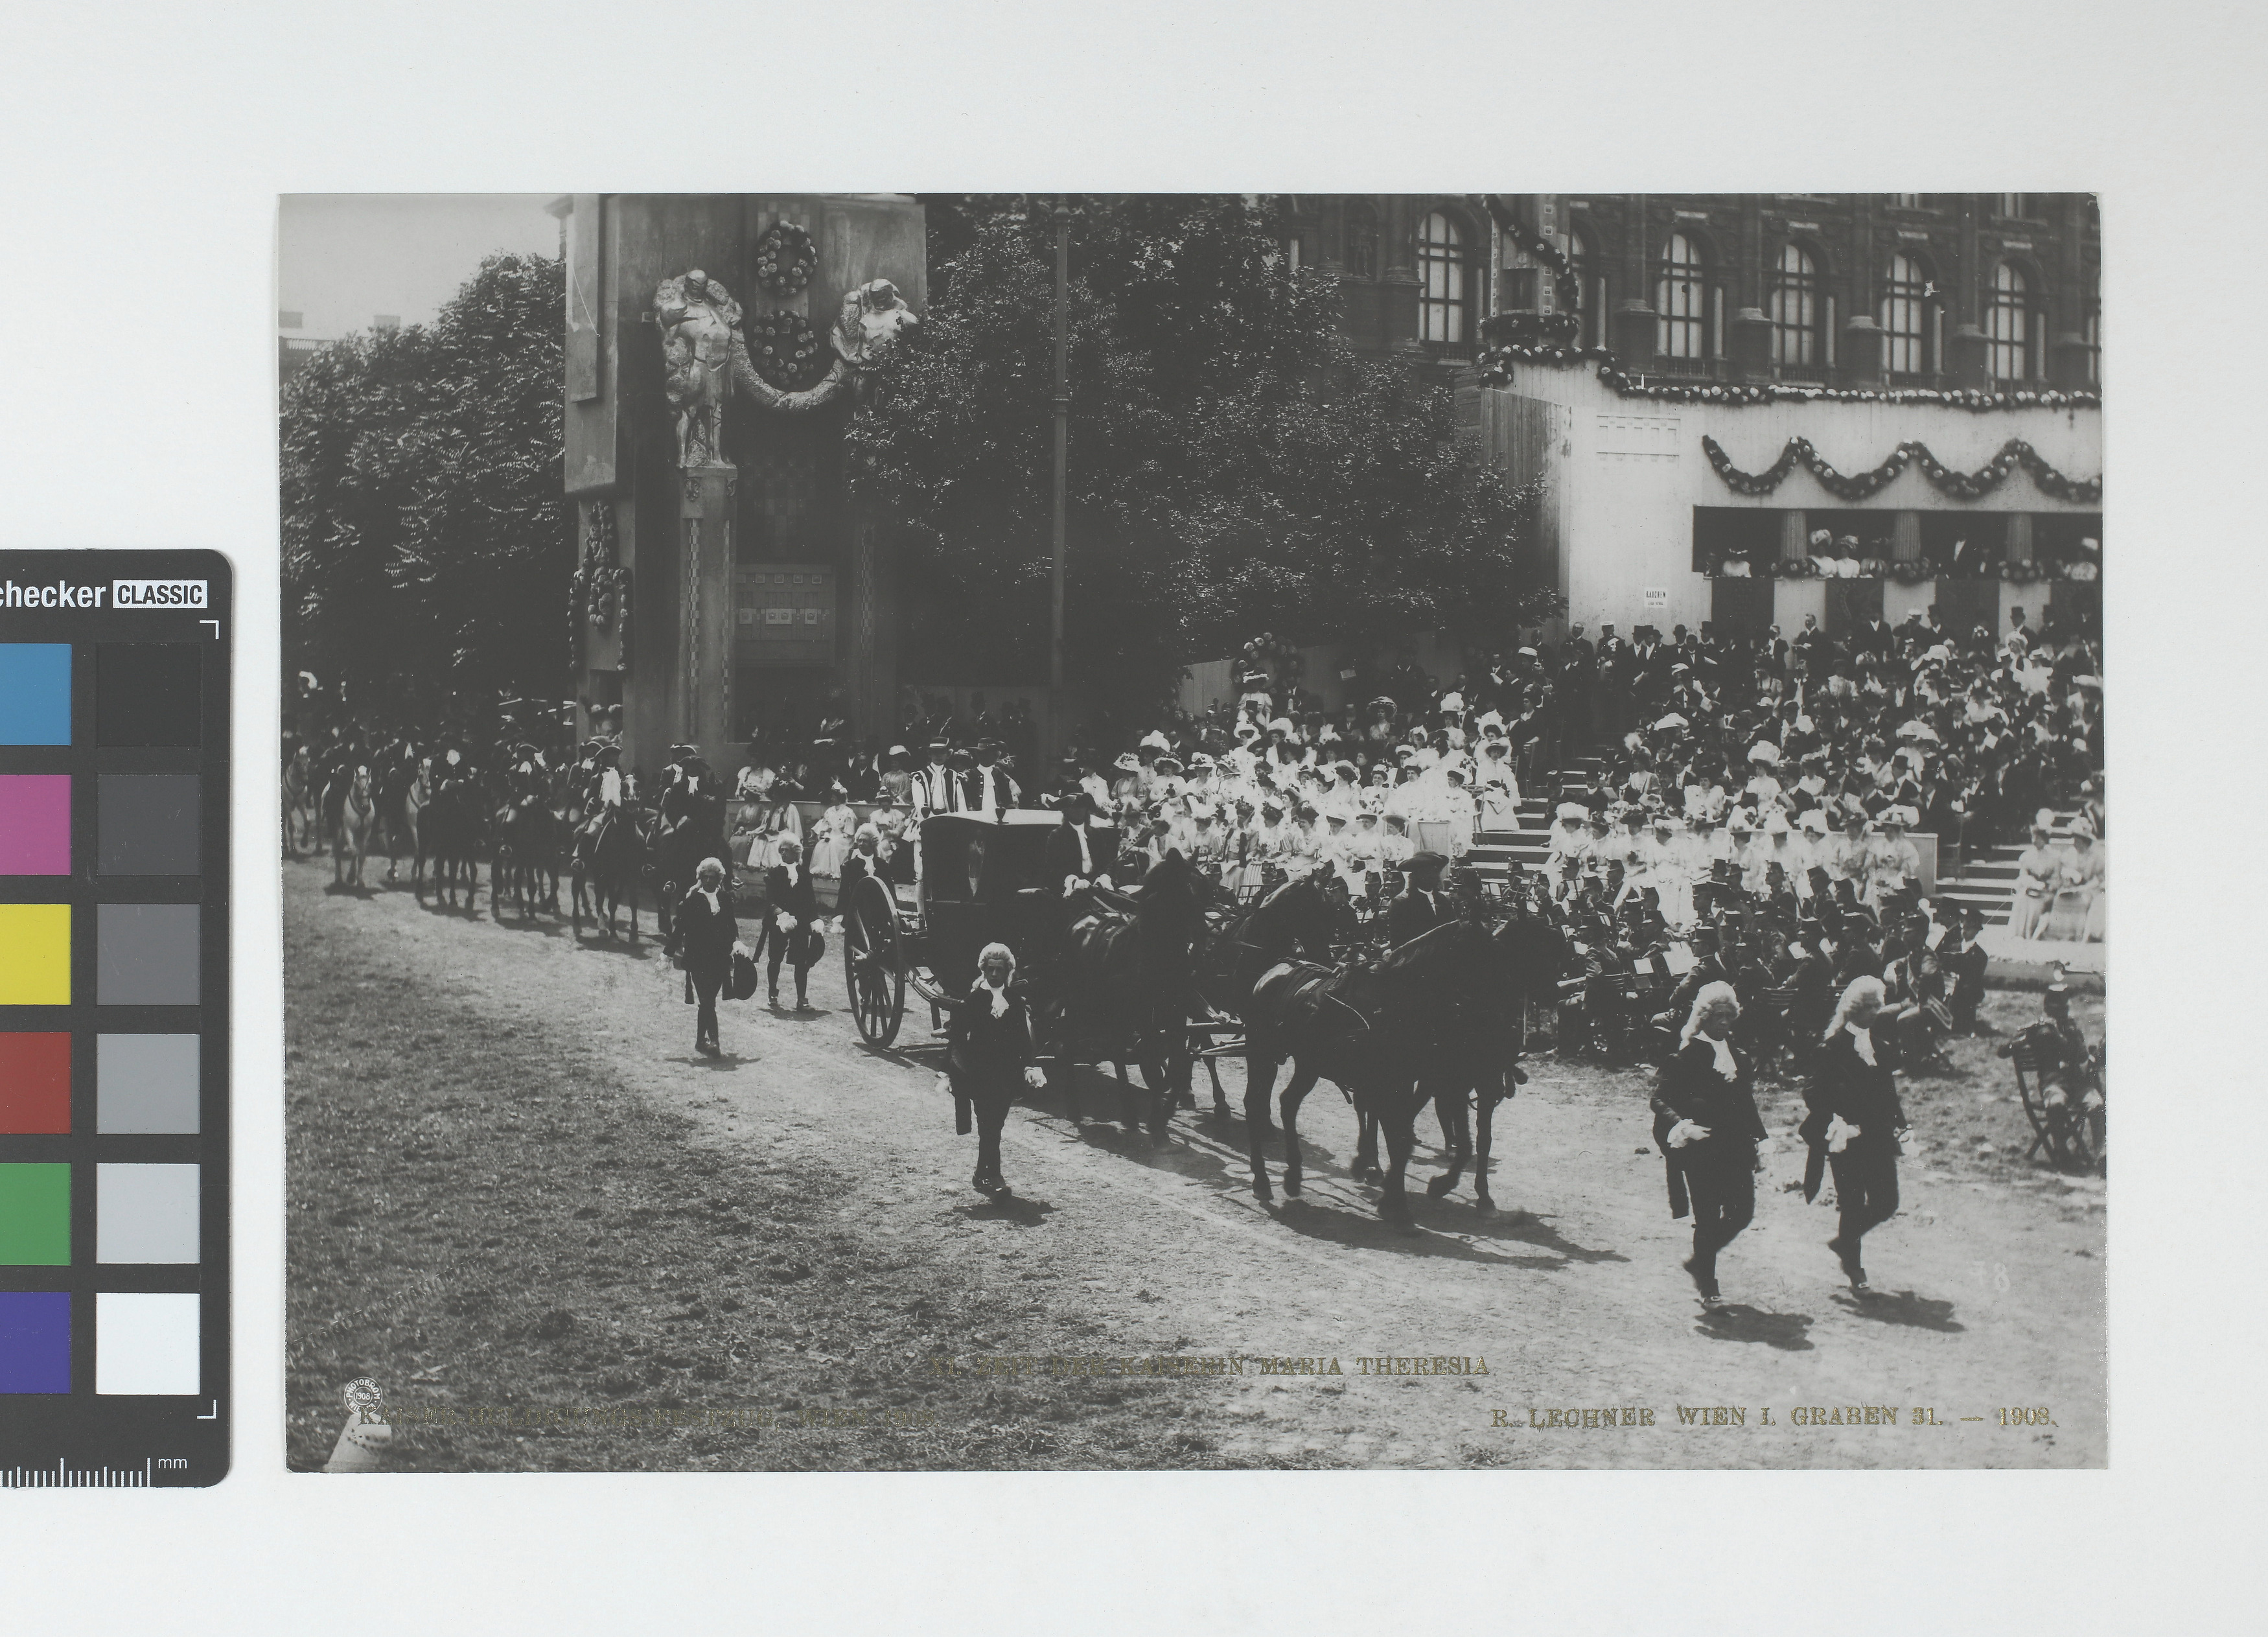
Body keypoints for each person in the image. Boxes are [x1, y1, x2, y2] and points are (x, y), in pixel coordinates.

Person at [1652, 982, 1766, 1305]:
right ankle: (1708, 1284)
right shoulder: (1685, 1056)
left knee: (1742, 1214)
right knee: (1707, 1217)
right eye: (1718, 1016)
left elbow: (1747, 1103)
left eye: (1729, 1016)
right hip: (1701, 1150)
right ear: (1704, 1018)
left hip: (1736, 1148)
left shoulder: (1739, 1058)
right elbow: (1659, 1099)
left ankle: (1698, 1262)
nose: (1724, 1022)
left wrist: (1763, 1139)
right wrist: (1683, 1126)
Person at [1801, 976, 1910, 1290]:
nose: (1875, 1012)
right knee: (1851, 1202)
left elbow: (1889, 1094)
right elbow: (1812, 1092)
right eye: (1869, 1007)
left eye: (1878, 1005)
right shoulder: (1832, 1048)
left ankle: (1843, 1242)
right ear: (1854, 1010)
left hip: (1878, 1136)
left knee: (1887, 1201)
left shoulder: (1880, 1047)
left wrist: (1903, 1127)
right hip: (1847, 1138)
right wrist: (1835, 1121)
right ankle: (1855, 1269)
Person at [947, 942, 1048, 1198]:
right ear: (983, 970)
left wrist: (1029, 1066)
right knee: (988, 1125)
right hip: (981, 1075)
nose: (994, 974)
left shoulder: (1015, 1001)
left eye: (999, 970)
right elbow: (957, 1040)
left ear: (1008, 971)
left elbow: (1023, 1039)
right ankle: (994, 1177)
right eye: (990, 969)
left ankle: (981, 1174)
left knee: (995, 1125)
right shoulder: (972, 1001)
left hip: (1007, 1076)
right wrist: (957, 1072)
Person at [677, 857, 739, 1056]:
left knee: (708, 1001)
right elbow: (680, 930)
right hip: (697, 960)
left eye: (713, 877)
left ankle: (699, 1041)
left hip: (720, 960)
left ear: (719, 879)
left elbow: (732, 927)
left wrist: (736, 944)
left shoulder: (725, 899)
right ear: (700, 878)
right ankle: (714, 1041)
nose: (709, 881)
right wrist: (666, 954)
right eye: (705, 877)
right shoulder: (692, 900)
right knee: (707, 1000)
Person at [763, 836, 822, 1013]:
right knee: (775, 958)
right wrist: (780, 913)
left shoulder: (804, 874)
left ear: (795, 852)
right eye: (781, 850)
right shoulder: (774, 873)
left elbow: (810, 900)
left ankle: (801, 999)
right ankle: (772, 994)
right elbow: (769, 900)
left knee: (801, 962)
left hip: (801, 922)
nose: (783, 853)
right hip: (780, 921)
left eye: (787, 850)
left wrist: (815, 920)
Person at [1385, 850, 1452, 946]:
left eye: (1435, 871)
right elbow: (1397, 944)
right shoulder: (1402, 903)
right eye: (1427, 872)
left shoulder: (1444, 901)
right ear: (1417, 874)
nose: (1433, 876)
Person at [2009, 817, 2060, 940]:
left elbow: (2057, 878)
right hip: (2031, 889)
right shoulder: (2027, 856)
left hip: (2046, 891)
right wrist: (2032, 883)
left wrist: (2047, 885)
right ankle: (2020, 933)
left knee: (2037, 903)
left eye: (2038, 838)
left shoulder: (2055, 857)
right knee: (2022, 899)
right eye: (2033, 837)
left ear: (2045, 839)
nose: (2035, 841)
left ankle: (2033, 933)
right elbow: (2023, 875)